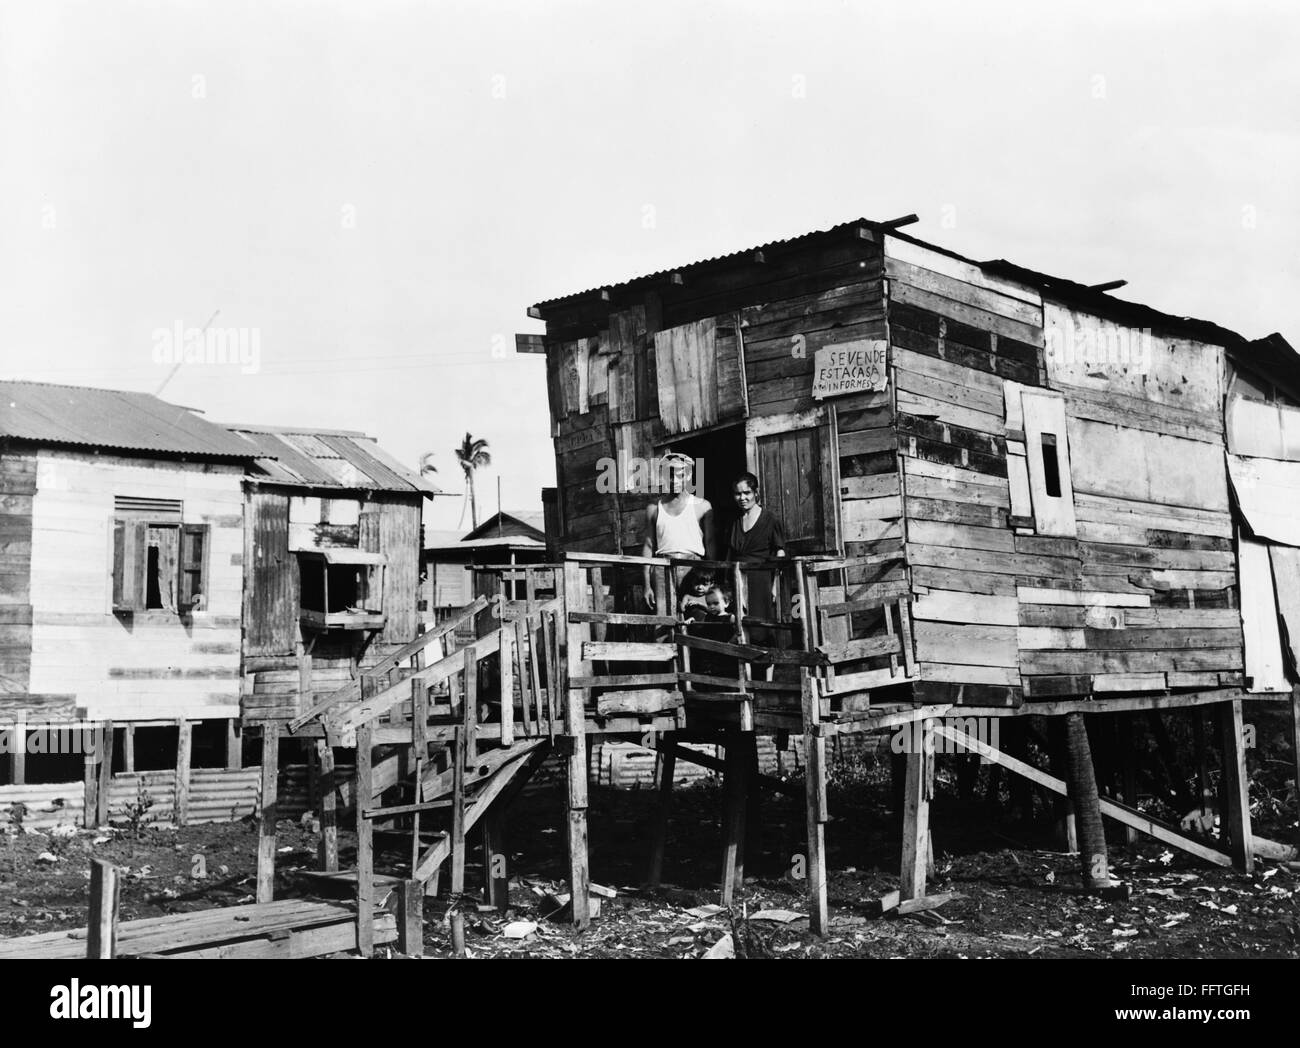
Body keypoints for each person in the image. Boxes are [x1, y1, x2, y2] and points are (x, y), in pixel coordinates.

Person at [642, 452, 715, 610]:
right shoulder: (653, 508)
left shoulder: (702, 506)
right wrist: (647, 585)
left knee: (695, 619)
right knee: (663, 621)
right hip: (662, 569)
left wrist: (710, 577)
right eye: (669, 475)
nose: (674, 480)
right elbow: (648, 546)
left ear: (688, 476)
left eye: (680, 475)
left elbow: (710, 544)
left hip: (694, 570)